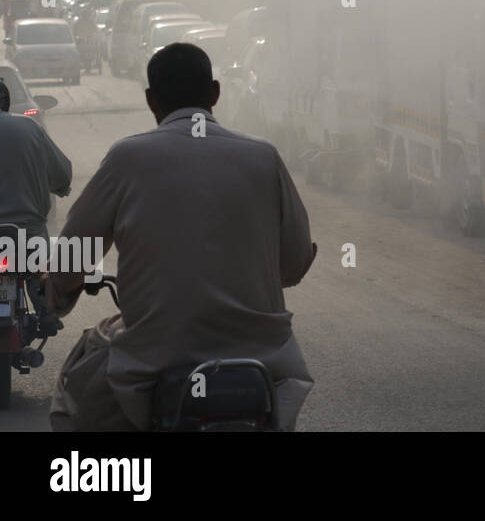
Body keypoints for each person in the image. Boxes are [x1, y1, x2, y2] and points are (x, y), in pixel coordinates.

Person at [47, 42, 317, 431]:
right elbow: (293, 265)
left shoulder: (128, 157)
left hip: (155, 360)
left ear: (151, 101)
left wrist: (56, 289)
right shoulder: (264, 157)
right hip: (265, 362)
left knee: (69, 407)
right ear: (215, 93)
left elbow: (73, 257)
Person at [0, 78, 72, 331]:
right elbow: (61, 171)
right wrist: (62, 187)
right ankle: (45, 311)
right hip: (27, 231)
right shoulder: (29, 127)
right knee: (37, 269)